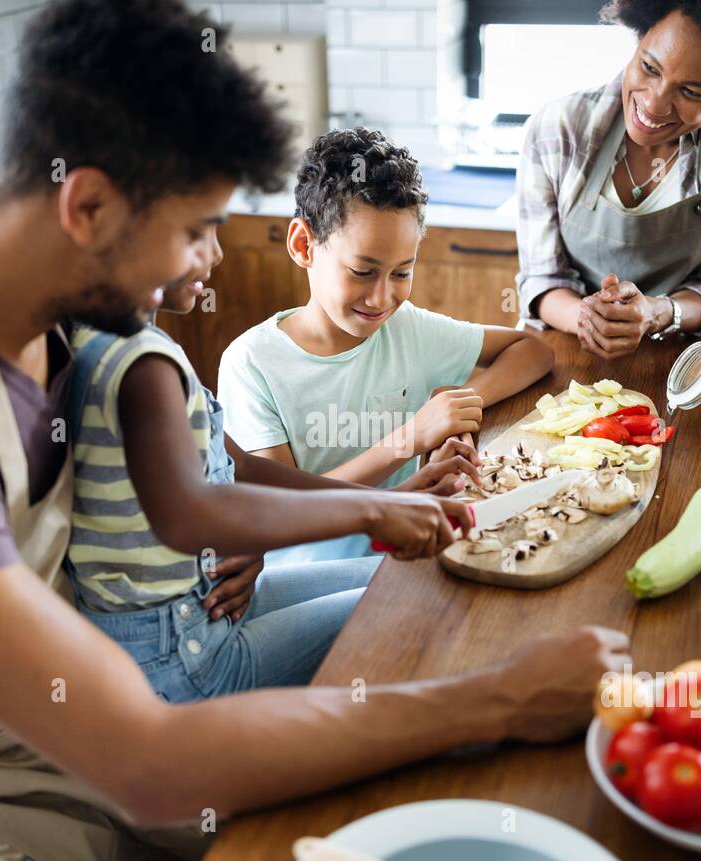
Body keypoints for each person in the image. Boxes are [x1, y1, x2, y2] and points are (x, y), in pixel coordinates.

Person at [0, 0, 629, 861]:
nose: (204, 263)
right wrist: (504, 700)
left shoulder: (47, 299)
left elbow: (211, 481)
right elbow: (151, 763)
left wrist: (364, 508)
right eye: (198, 230)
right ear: (86, 207)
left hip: (58, 723)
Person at [63, 227, 478, 699]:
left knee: (423, 572)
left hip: (201, 608)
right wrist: (376, 513)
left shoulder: (118, 339)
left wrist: (394, 499)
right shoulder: (141, 365)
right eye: (196, 230)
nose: (216, 253)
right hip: (184, 656)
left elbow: (240, 466)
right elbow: (189, 516)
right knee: (426, 597)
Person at [219, 127, 553, 563]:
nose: (382, 299)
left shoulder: (406, 329)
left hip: (406, 551)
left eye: (401, 273)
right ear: (304, 245)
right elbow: (282, 509)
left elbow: (533, 352)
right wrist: (410, 439)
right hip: (309, 573)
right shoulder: (252, 364)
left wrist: (458, 402)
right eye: (362, 271)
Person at [515, 0, 701, 359]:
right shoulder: (558, 128)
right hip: (564, 350)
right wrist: (587, 318)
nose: (655, 105)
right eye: (649, 67)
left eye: (691, 92)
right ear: (639, 35)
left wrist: (657, 313)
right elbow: (542, 280)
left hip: (683, 360)